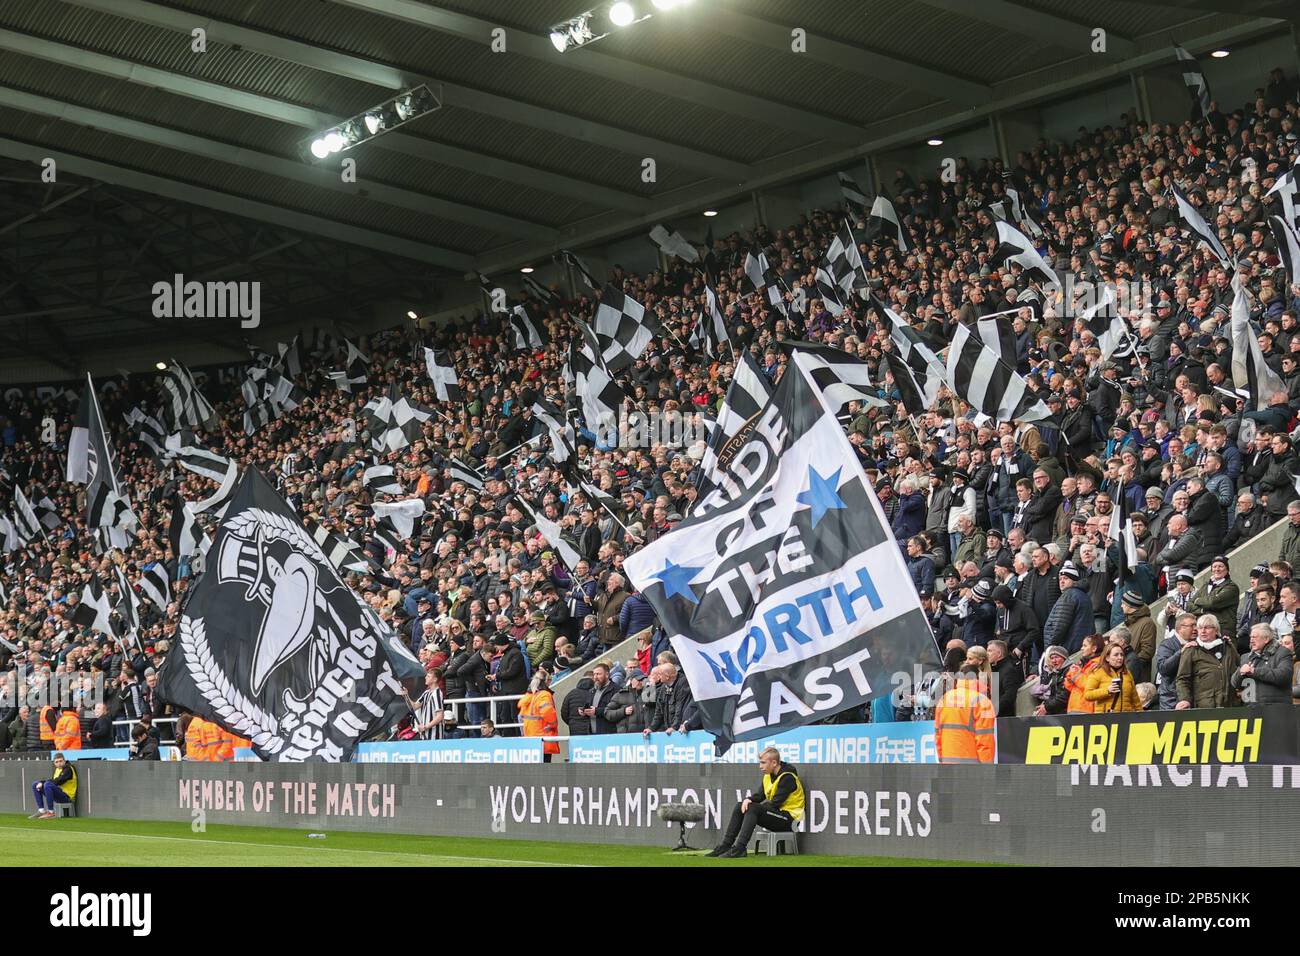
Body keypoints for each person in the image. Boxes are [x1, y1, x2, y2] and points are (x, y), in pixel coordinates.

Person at [706, 747, 805, 859]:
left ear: (774, 763)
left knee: (753, 808)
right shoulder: (768, 775)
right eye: (760, 762)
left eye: (763, 763)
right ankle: (726, 845)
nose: (760, 766)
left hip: (790, 821)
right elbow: (759, 796)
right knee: (741, 805)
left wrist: (753, 807)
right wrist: (749, 800)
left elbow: (774, 804)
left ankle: (740, 848)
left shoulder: (787, 778)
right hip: (778, 815)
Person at [1175, 615, 1241, 710]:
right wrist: (1184, 699)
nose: (1203, 631)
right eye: (1200, 628)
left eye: (1207, 627)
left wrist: (1241, 690)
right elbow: (1182, 679)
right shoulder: (1191, 650)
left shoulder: (1228, 647)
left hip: (1230, 705)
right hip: (1204, 707)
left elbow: (1238, 669)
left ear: (1216, 629)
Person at [934, 664, 996, 764]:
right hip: (973, 769)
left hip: (948, 765)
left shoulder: (944, 699)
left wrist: (942, 760)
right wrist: (987, 769)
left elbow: (938, 736)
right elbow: (985, 740)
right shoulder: (982, 702)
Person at [1230, 624, 1295, 706]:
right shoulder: (1246, 657)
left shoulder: (1282, 653)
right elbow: (1235, 683)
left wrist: (1254, 671)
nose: (1251, 640)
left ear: (1266, 639)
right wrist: (1240, 672)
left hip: (1277, 708)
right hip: (1251, 709)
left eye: (1255, 637)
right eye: (1251, 637)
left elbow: (1284, 676)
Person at [1083, 640, 1142, 713]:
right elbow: (1087, 695)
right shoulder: (1098, 672)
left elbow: (1135, 699)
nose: (1120, 657)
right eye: (1116, 655)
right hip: (1105, 719)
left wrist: (1141, 715)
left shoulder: (1127, 673)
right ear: (1107, 658)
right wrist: (1107, 691)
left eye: (1122, 655)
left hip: (1126, 718)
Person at [517, 670, 559, 761]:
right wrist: (553, 725)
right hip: (544, 736)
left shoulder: (529, 695)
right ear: (546, 681)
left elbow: (520, 717)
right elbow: (547, 711)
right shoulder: (544, 695)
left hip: (531, 739)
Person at [29, 752, 76, 819]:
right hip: (59, 794)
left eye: (61, 761)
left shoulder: (68, 768)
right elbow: (53, 780)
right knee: (35, 784)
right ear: (54, 763)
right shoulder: (57, 769)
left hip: (67, 797)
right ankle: (41, 810)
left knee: (47, 785)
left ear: (64, 761)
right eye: (56, 762)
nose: (59, 763)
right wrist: (41, 783)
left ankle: (51, 812)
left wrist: (44, 783)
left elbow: (59, 781)